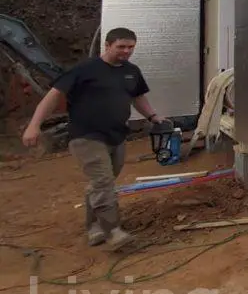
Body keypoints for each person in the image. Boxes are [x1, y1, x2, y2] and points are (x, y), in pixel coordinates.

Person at [22, 27, 169, 251]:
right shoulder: (85, 69)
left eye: (130, 47)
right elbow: (53, 97)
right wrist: (34, 126)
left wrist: (153, 115)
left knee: (102, 182)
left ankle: (94, 228)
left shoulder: (131, 71)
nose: (126, 51)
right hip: (86, 136)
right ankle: (113, 232)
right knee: (103, 182)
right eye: (121, 46)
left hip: (117, 135)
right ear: (108, 45)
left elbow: (138, 97)